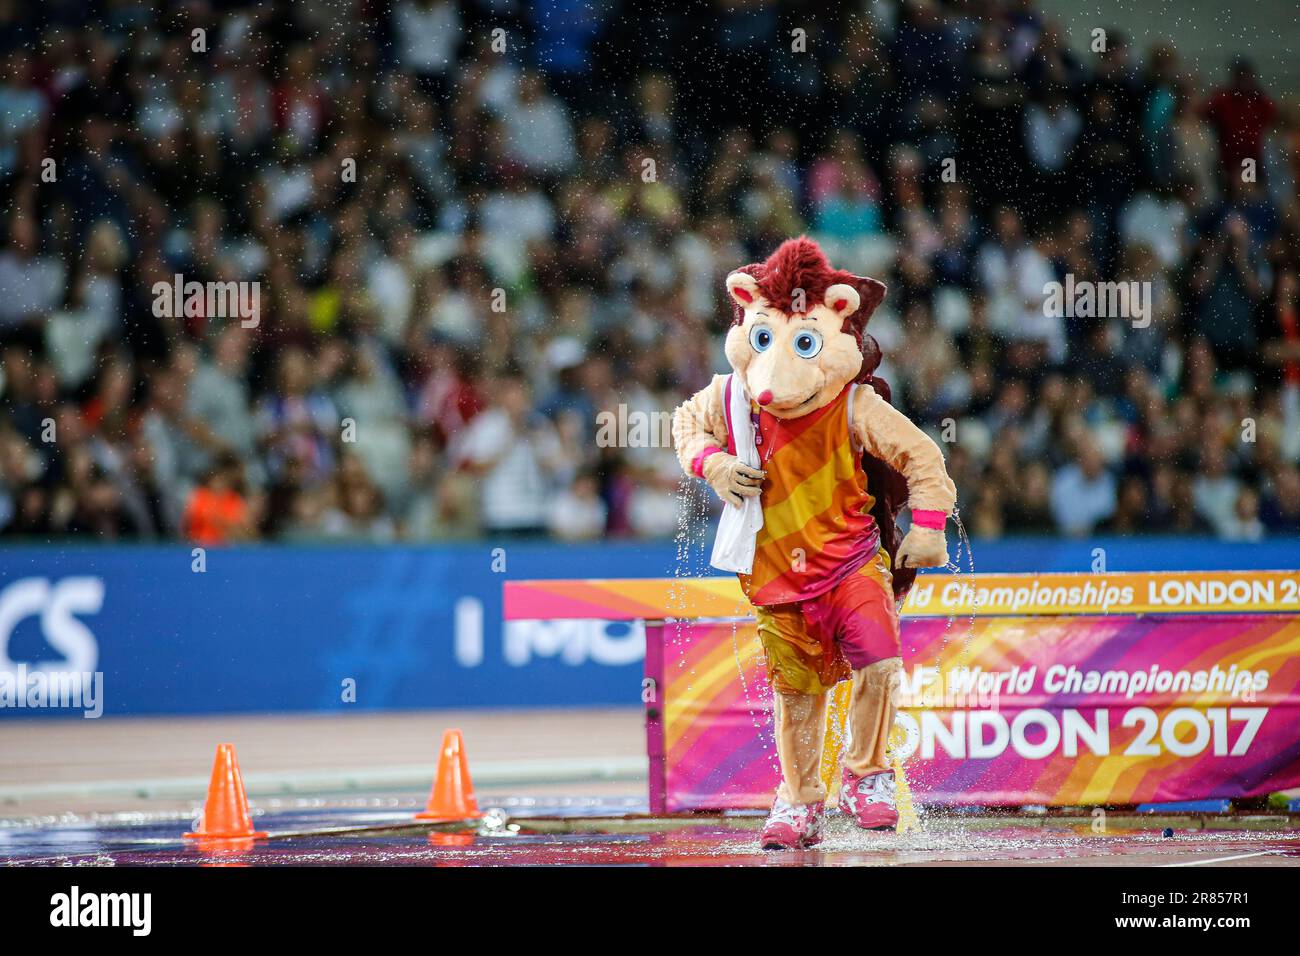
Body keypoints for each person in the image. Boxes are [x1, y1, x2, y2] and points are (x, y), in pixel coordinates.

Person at [673, 238, 956, 850]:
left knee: (880, 664)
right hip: (775, 577)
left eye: (804, 341)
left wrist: (930, 526)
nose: (777, 373)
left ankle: (866, 773)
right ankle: (800, 802)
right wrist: (714, 465)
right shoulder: (730, 398)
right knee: (797, 698)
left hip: (851, 563)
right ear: (746, 318)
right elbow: (685, 425)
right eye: (766, 339)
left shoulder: (852, 403)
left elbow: (922, 455)